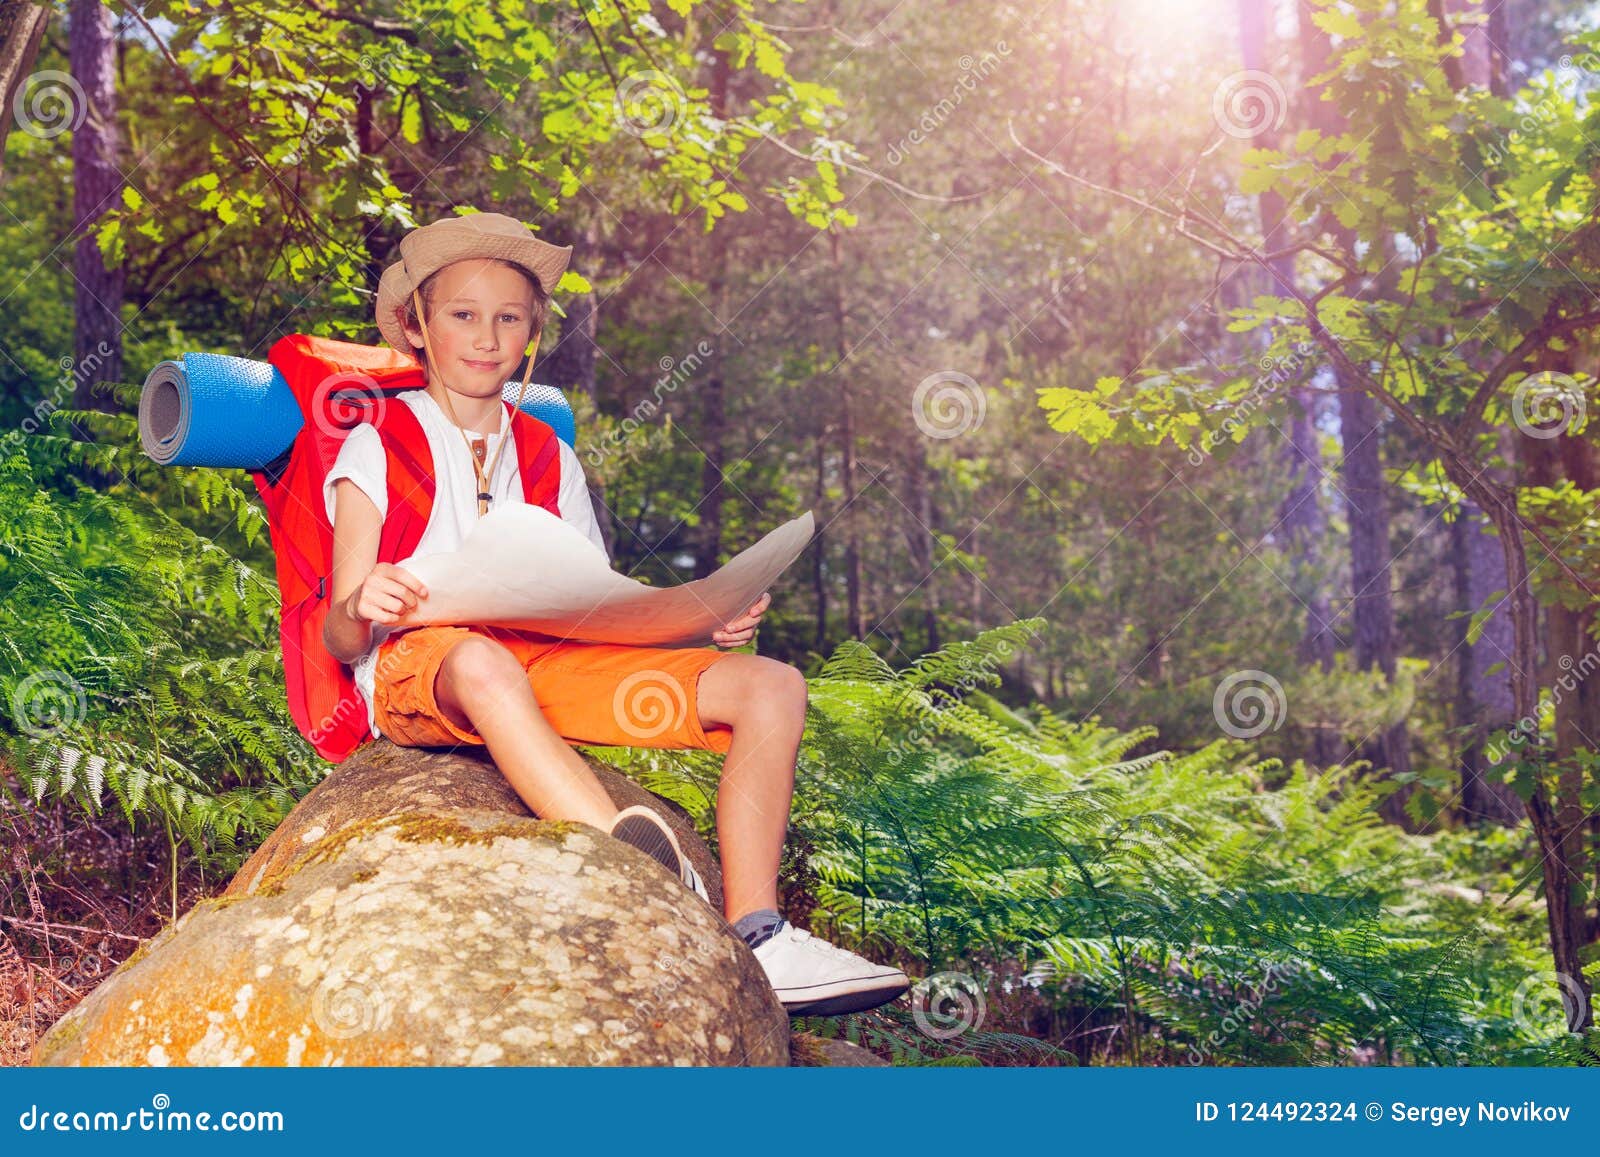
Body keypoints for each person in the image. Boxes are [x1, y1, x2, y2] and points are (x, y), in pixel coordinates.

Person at [320, 210, 909, 1017]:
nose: (487, 337)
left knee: (770, 686)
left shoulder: (548, 454)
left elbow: (587, 603)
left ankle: (760, 931)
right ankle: (647, 875)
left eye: (509, 319)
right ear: (417, 326)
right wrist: (365, 600)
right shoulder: (375, 440)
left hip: (544, 661)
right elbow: (338, 630)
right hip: (426, 670)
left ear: (531, 333)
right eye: (463, 314)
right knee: (484, 662)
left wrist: (699, 619)